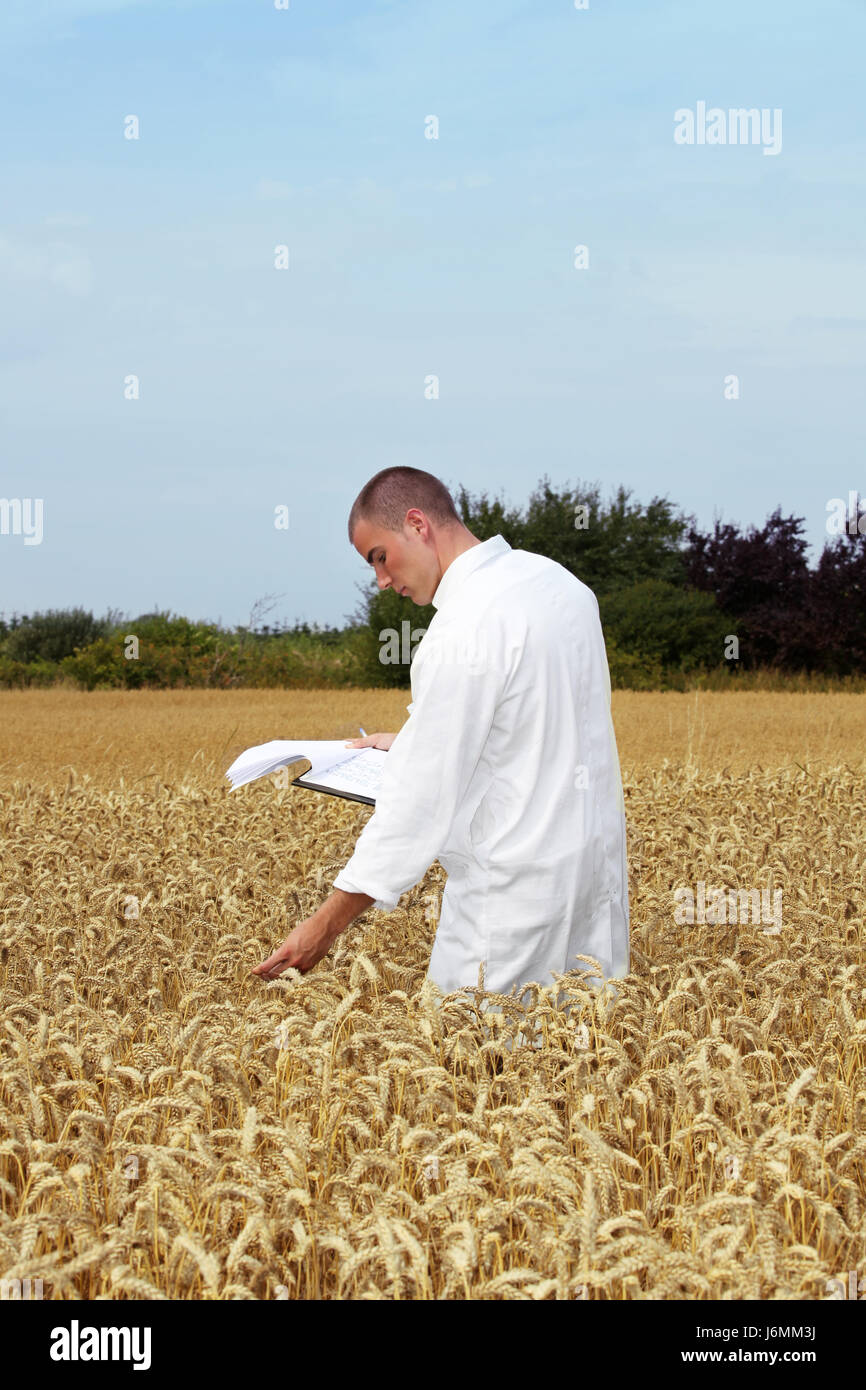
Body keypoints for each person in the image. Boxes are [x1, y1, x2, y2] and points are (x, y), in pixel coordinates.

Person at [253, 466, 629, 1016]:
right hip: (593, 887)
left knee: (474, 1073)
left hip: (507, 909)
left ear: (416, 524)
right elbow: (530, 723)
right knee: (583, 1071)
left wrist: (324, 925)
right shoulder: (562, 586)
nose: (381, 580)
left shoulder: (461, 629)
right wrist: (412, 740)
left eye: (379, 556)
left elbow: (417, 806)